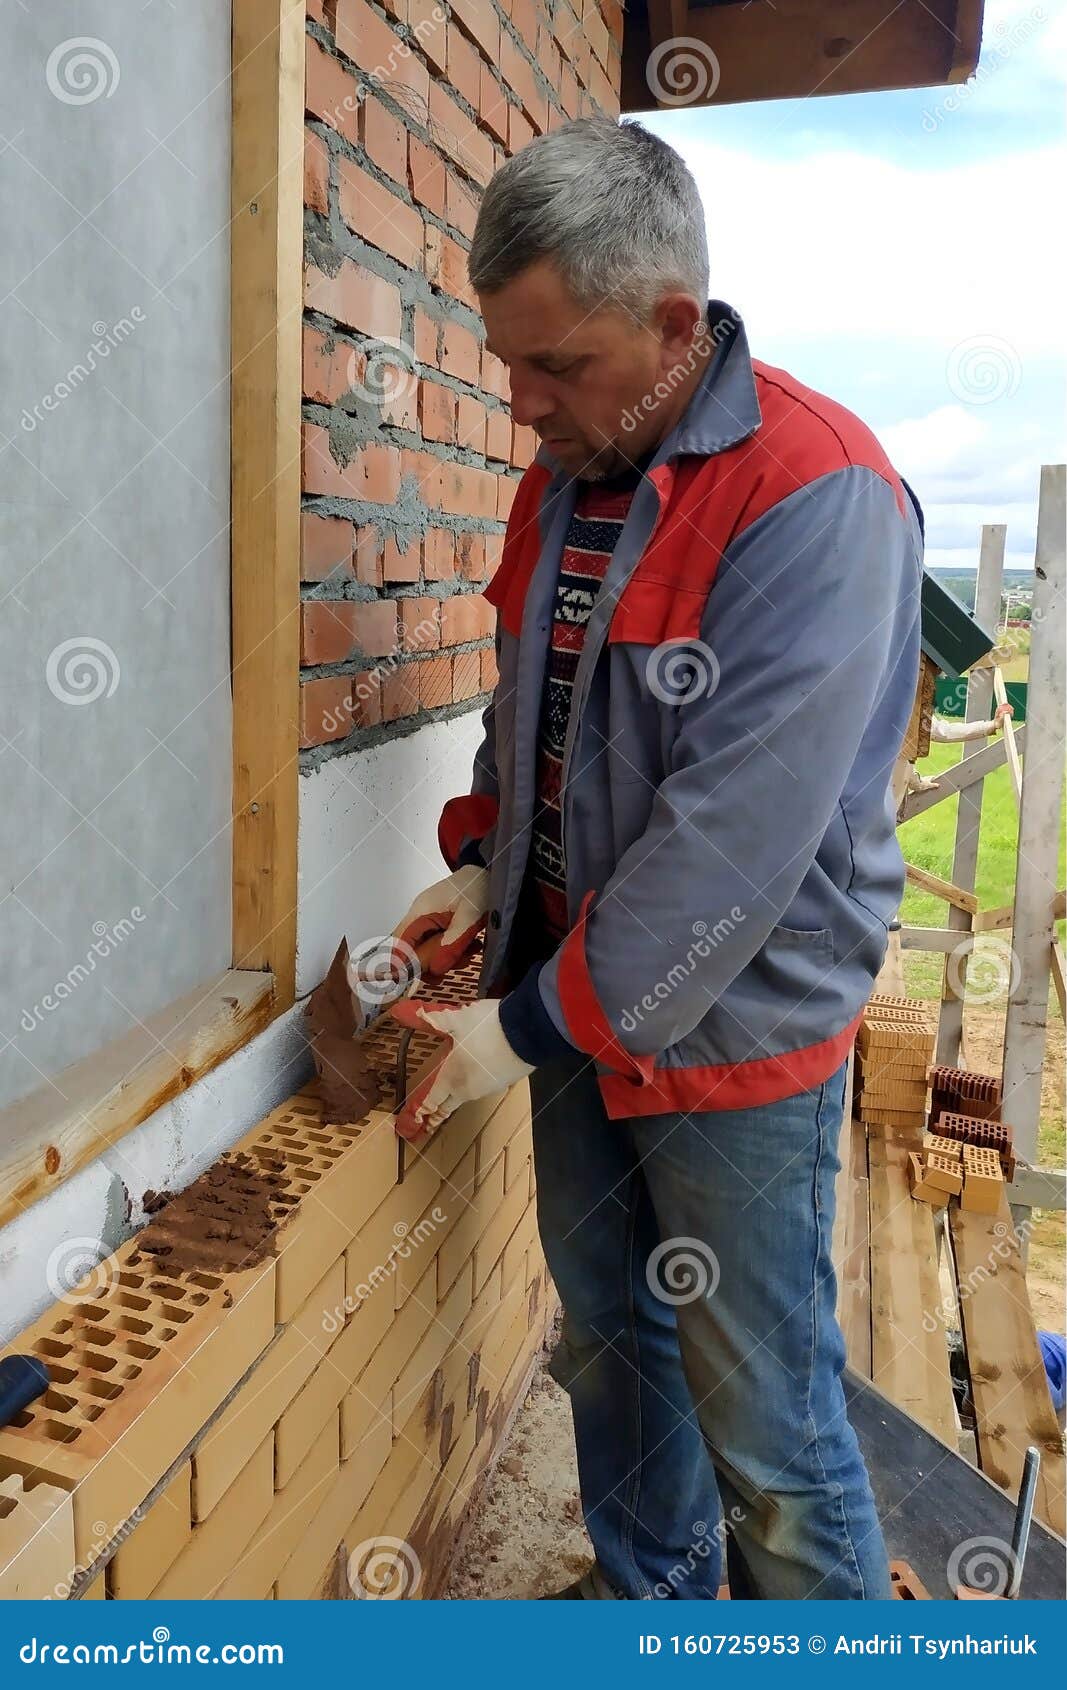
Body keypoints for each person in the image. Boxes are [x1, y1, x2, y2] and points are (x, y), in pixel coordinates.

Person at [390, 117, 921, 1600]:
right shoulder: (567, 472)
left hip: (731, 1042)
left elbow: (730, 852)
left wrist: (517, 1028)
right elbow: (531, 705)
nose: (523, 405)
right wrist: (491, 856)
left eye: (555, 365)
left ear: (676, 325)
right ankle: (652, 1608)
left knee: (772, 1423)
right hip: (572, 1012)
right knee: (616, 1347)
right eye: (508, 362)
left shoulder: (817, 495)